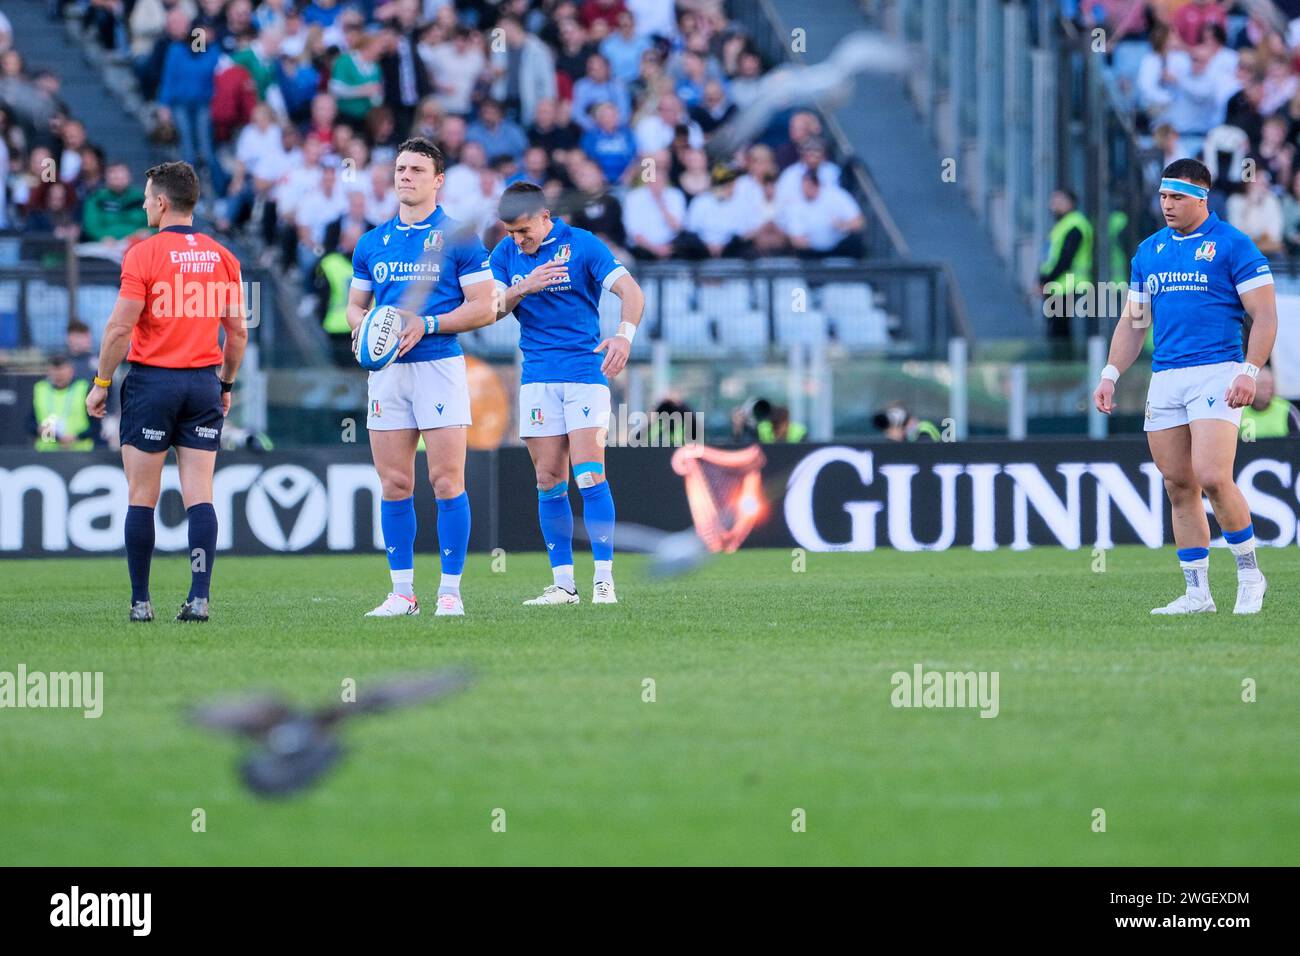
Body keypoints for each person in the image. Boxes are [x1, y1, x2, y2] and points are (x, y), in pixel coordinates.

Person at [436, 182, 645, 606]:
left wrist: (623, 336)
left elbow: (631, 292)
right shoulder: (505, 256)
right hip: (536, 379)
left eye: (523, 230)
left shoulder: (582, 244)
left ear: (544, 216)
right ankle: (564, 584)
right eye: (510, 231)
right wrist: (521, 288)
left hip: (585, 373)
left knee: (588, 474)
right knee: (549, 480)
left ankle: (603, 580)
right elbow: (490, 309)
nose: (518, 239)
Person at [1093, 158, 1277, 615]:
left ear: (1202, 198)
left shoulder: (1233, 245)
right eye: (1163, 197)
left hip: (1218, 369)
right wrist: (1110, 374)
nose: (1167, 205)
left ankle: (1251, 574)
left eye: (1177, 197)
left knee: (1213, 476)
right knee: (1178, 484)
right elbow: (1134, 324)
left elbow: (1266, 314)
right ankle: (1198, 593)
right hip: (1167, 376)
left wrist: (1249, 371)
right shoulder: (1150, 252)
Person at [85, 161, 248, 622]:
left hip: (152, 383)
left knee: (142, 495)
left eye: (145, 197)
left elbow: (120, 328)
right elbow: (237, 334)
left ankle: (141, 602)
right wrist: (226, 384)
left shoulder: (142, 253)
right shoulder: (223, 257)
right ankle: (199, 597)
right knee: (200, 494)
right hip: (201, 385)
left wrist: (100, 385)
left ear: (161, 202)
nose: (142, 204)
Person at [345, 138, 494, 618]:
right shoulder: (372, 242)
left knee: (447, 480)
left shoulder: (461, 237)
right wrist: (363, 329)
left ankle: (450, 591)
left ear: (438, 180)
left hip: (439, 366)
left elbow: (484, 308)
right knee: (394, 483)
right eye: (401, 168)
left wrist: (426, 324)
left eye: (416, 169)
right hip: (388, 373)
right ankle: (402, 593)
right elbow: (354, 305)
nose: (405, 176)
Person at [1040, 188, 1093, 359]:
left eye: (1058, 201)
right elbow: (1051, 257)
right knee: (1057, 330)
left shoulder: (1075, 225)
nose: (1052, 205)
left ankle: (1064, 371)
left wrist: (1045, 280)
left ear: (1070, 203)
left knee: (1060, 332)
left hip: (1068, 284)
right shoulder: (1063, 225)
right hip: (1059, 286)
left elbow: (1065, 259)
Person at [30, 355, 95, 451]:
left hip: (80, 451)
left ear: (71, 371)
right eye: (55, 373)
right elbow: (30, 422)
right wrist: (38, 429)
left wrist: (78, 436)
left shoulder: (84, 388)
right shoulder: (40, 389)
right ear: (49, 372)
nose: (58, 377)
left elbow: (96, 424)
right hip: (46, 451)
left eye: (62, 373)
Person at [1239, 364, 1300, 437]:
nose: (1268, 390)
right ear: (1252, 387)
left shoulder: (1286, 409)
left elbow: (1296, 443)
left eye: (1271, 386)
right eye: (1263, 386)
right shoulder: (1239, 411)